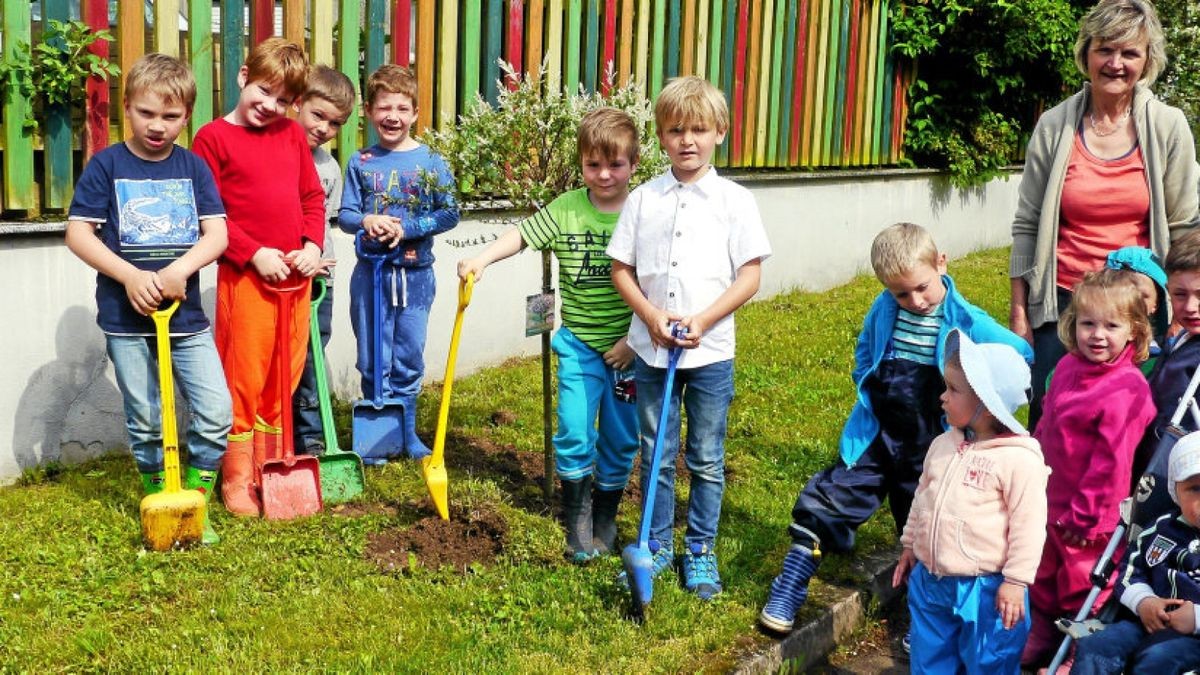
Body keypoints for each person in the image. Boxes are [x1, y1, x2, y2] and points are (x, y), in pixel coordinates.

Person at [758, 222, 1034, 633]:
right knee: (829, 500)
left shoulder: (968, 323)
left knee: (925, 526)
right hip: (878, 434)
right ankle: (790, 586)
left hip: (932, 445)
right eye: (901, 292)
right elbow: (866, 349)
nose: (915, 300)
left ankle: (920, 620)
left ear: (941, 263)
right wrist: (866, 383)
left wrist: (980, 415)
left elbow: (1019, 356)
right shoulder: (884, 309)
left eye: (922, 287)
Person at [606, 75, 771, 600]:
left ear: (719, 132)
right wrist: (651, 316)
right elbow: (621, 269)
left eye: (699, 129)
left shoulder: (734, 201)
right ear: (660, 136)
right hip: (653, 351)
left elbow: (749, 275)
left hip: (711, 352)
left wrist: (704, 320)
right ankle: (653, 544)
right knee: (655, 447)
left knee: (704, 455)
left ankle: (699, 549)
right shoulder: (643, 200)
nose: (688, 140)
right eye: (676, 130)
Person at [458, 107, 640, 562]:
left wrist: (636, 339)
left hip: (631, 351)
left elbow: (662, 282)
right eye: (592, 164)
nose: (603, 174)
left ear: (634, 164)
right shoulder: (566, 209)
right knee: (575, 430)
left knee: (621, 438)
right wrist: (481, 259)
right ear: (580, 163)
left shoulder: (644, 212)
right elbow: (521, 236)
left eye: (615, 165)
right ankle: (576, 515)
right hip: (579, 346)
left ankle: (605, 514)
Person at [1008, 0, 1199, 430]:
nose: (1115, 64)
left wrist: (1178, 308)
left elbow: (1185, 229)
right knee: (1054, 418)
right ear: (1086, 53)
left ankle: (1124, 499)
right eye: (1104, 50)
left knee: (1132, 422)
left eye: (1129, 53)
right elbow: (1026, 224)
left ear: (1147, 60)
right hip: (1064, 305)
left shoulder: (1169, 126)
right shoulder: (1055, 126)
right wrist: (1020, 315)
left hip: (1138, 308)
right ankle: (1047, 498)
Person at [65, 53, 232, 543]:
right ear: (127, 108)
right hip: (125, 317)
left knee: (216, 410)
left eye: (171, 116)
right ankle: (158, 495)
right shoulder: (107, 165)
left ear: (187, 116)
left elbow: (217, 235)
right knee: (146, 417)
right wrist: (131, 277)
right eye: (146, 113)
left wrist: (180, 270)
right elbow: (79, 234)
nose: (158, 126)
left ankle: (196, 498)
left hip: (186, 318)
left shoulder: (194, 168)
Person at [192, 38, 327, 516]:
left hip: (294, 277)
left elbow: (312, 197)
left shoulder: (291, 136)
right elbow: (211, 215)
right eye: (264, 91)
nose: (270, 106)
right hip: (247, 279)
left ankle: (269, 472)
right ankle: (235, 478)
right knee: (244, 379)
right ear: (243, 76)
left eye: (284, 100)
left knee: (282, 377)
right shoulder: (211, 139)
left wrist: (313, 245)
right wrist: (253, 254)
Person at [892, 329, 1049, 674]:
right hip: (933, 581)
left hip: (987, 588)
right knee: (929, 658)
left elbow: (1029, 526)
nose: (943, 397)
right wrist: (909, 546)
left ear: (986, 400)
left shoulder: (1018, 460)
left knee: (988, 661)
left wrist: (1016, 581)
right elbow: (922, 498)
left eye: (953, 389)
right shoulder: (943, 444)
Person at [1024, 268, 1157, 666]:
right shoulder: (1067, 367)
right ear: (1073, 324)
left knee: (1085, 586)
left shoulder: (1126, 388)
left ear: (1133, 330)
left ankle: (1079, 649)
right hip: (1050, 498)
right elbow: (1046, 422)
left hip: (1089, 518)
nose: (1097, 335)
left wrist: (1085, 517)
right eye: (1088, 324)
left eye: (1111, 325)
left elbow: (1111, 462)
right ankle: (1044, 632)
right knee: (1044, 575)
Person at [338, 64, 459, 461]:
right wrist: (368, 220)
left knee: (408, 354)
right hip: (370, 276)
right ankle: (376, 437)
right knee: (372, 355)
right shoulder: (361, 162)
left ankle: (406, 433)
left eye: (403, 108)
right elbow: (347, 216)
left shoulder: (431, 162)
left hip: (415, 276)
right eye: (384, 107)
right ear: (369, 111)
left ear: (416, 113)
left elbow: (449, 213)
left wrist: (407, 228)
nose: (393, 116)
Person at [1070, 431, 1200, 674]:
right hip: (1146, 621)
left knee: (1157, 660)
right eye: (1194, 489)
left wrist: (1196, 618)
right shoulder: (1161, 529)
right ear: (1175, 491)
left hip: (1194, 639)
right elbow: (1131, 572)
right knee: (1097, 646)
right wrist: (1144, 602)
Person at [290, 65, 356, 456]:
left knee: (313, 358)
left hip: (321, 281)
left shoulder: (329, 166)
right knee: (285, 358)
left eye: (336, 123)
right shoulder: (277, 153)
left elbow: (325, 221)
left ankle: (312, 439)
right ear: (297, 103)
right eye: (318, 115)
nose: (324, 128)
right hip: (284, 275)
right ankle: (278, 433)